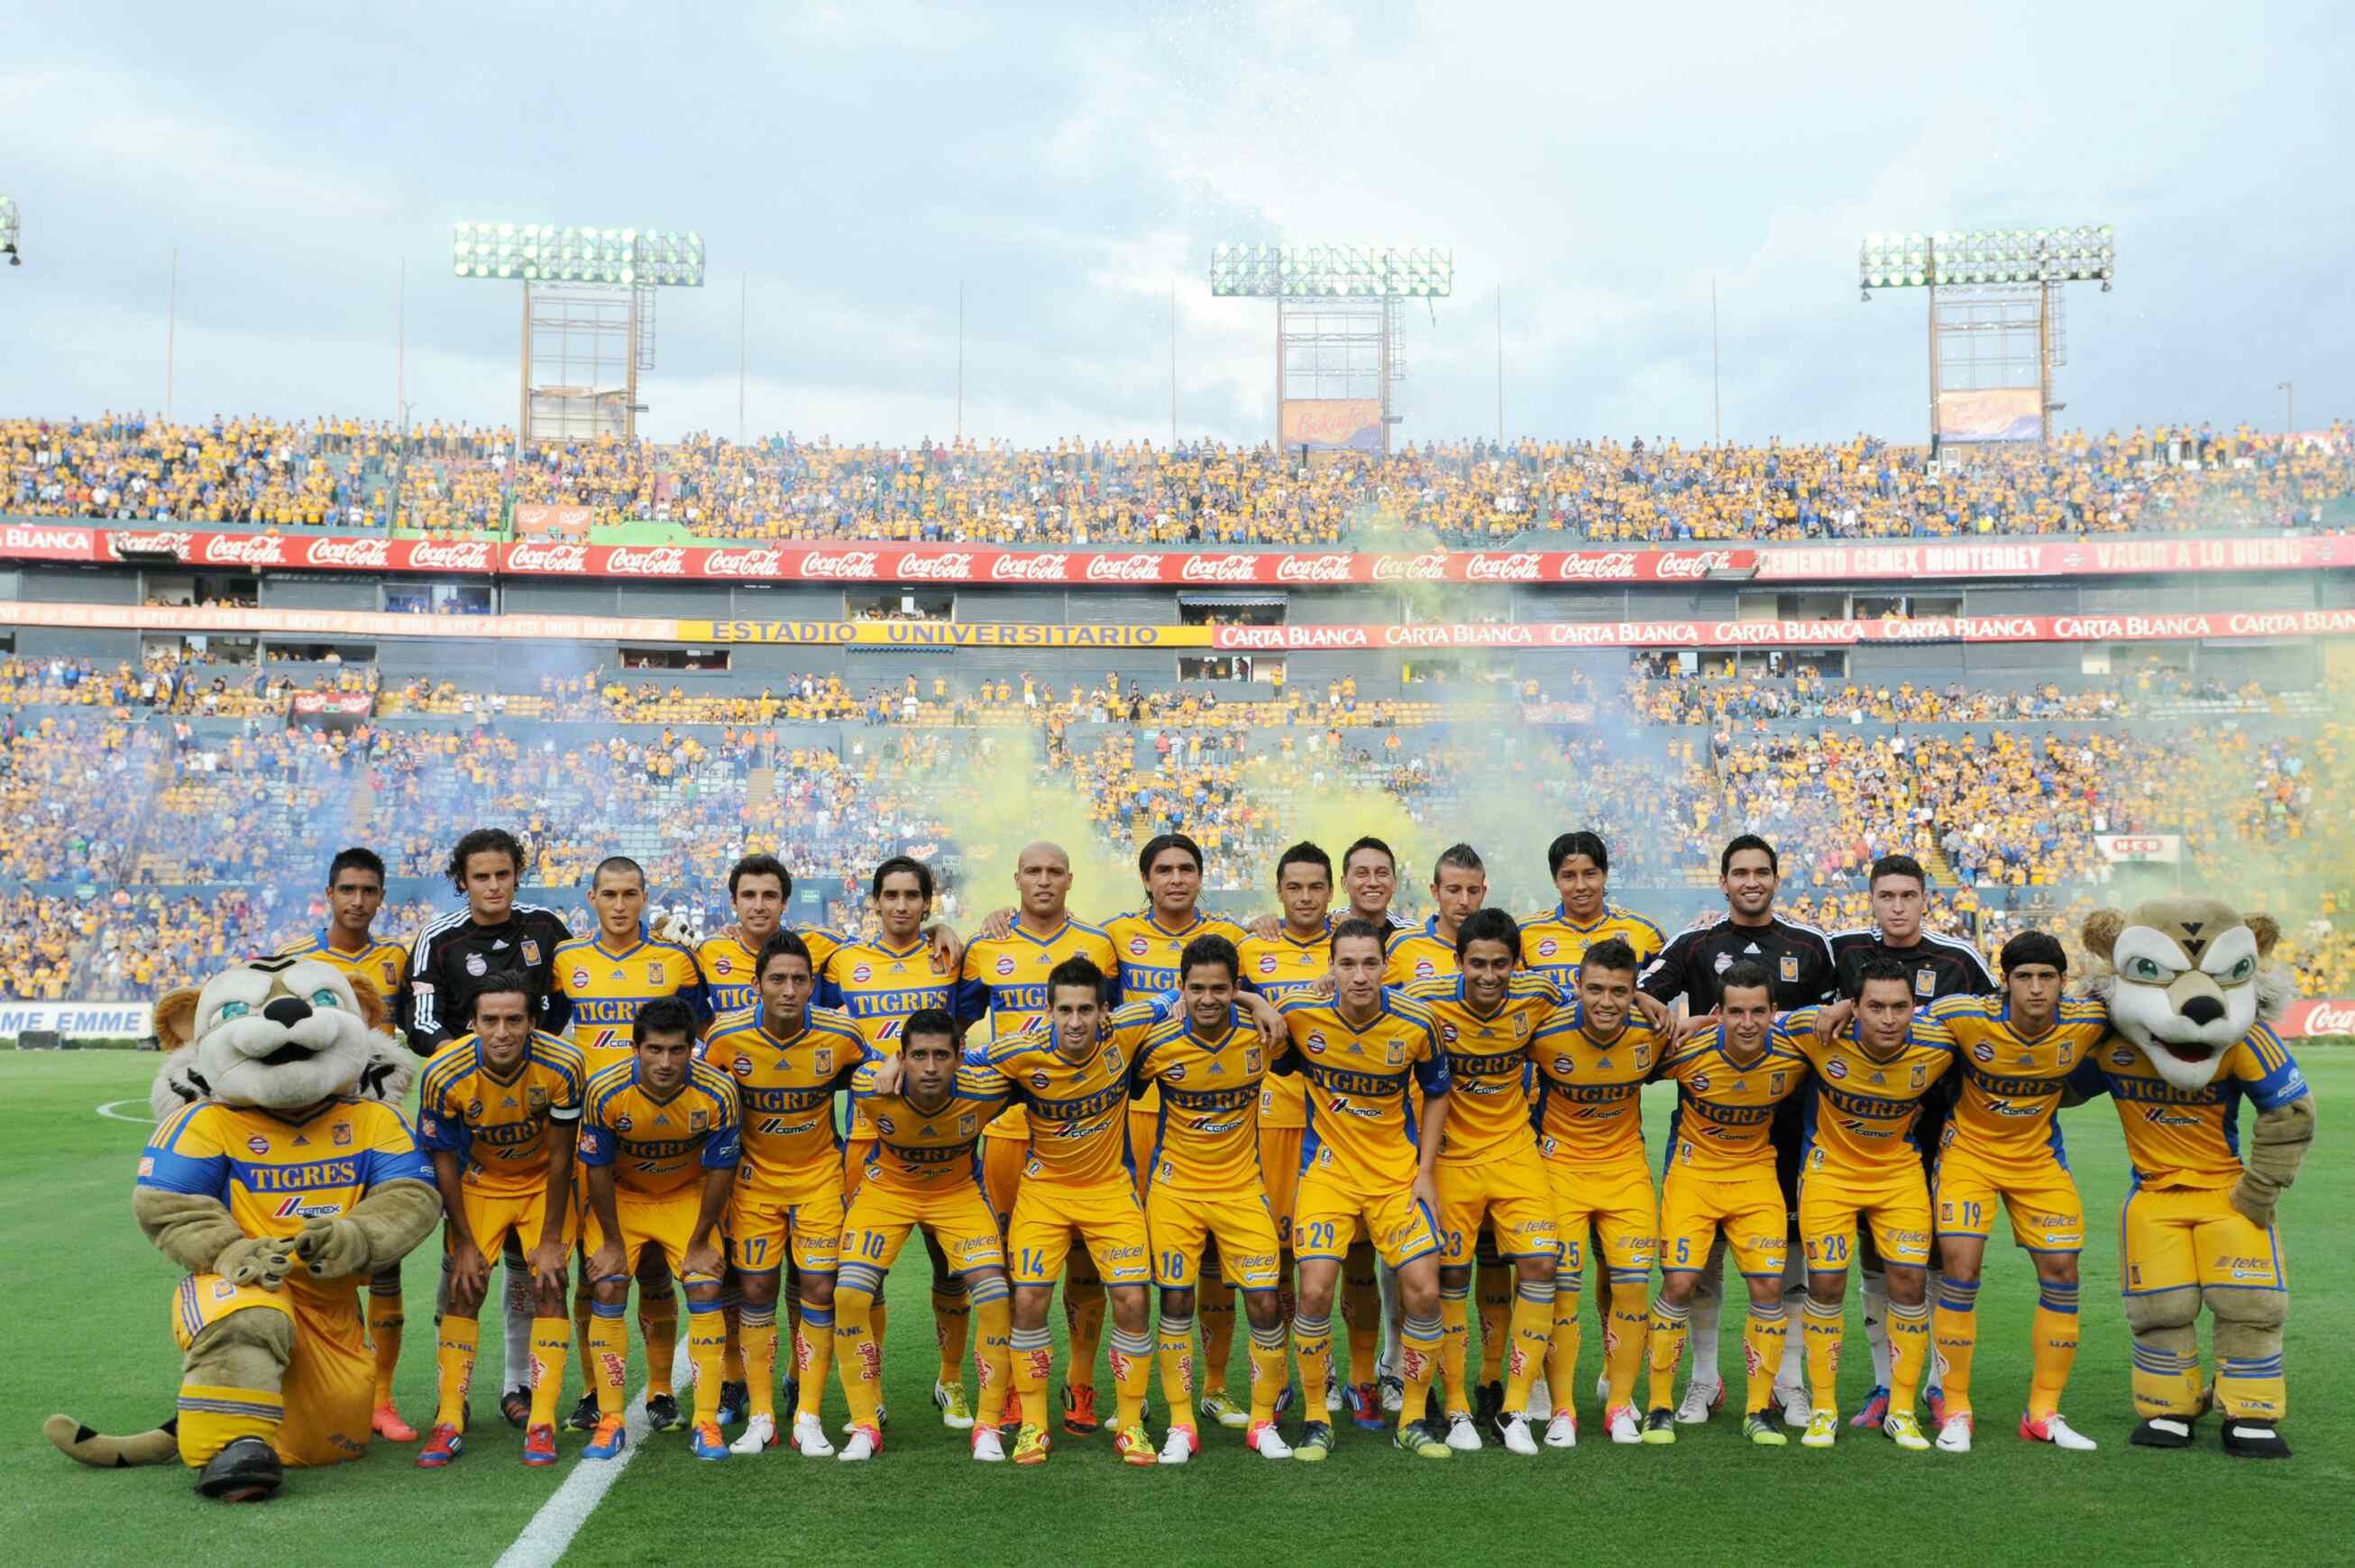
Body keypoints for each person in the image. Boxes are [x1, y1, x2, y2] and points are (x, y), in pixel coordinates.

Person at [1639, 834, 1835, 1428]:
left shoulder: (1810, 945)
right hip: (1704, 1123)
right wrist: (1684, 1022)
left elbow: (1837, 1015)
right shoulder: (1696, 943)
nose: (1751, 882)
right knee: (1697, 1262)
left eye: (1761, 872)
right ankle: (1704, 1379)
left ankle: (1788, 1383)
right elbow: (1640, 994)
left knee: (1785, 1263)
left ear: (1776, 878)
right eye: (1740, 873)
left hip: (1787, 1128)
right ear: (1723, 881)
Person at [403, 829, 575, 1432]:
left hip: (534, 1104)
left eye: (503, 874)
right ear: (463, 880)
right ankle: (452, 1393)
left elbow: (565, 1004)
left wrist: (526, 1062)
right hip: (466, 1111)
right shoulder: (439, 938)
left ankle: (517, 1384)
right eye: (482, 876)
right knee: (463, 1267)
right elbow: (422, 1022)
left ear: (517, 875)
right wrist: (473, 1069)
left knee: (529, 1265)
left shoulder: (546, 929)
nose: (494, 886)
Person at [953, 840, 1117, 1435]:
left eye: (1054, 871)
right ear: (1016, 878)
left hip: (1078, 1131)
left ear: (1070, 879)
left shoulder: (1098, 945)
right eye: (1033, 871)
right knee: (1007, 1269)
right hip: (1007, 1131)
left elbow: (1118, 1028)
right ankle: (1011, 1391)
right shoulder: (986, 946)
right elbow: (953, 1023)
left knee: (1085, 1265)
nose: (1043, 880)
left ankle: (1080, 1384)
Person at [1921, 932, 2109, 1453]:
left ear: (2063, 982)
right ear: (2005, 982)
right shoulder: (1965, 1014)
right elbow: (1893, 1024)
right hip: (1968, 1157)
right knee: (1960, 1271)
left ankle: (2043, 1413)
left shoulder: (2088, 1020)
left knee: (2063, 1273)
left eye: (2047, 977)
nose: (2036, 988)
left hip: (2038, 1161)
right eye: (2024, 977)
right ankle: (1956, 1408)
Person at [1826, 851, 1994, 1429]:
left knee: (1942, 1260)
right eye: (1886, 897)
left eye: (1908, 896)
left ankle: (1939, 1385)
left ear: (1926, 899)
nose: (1897, 907)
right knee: (1878, 1259)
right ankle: (1884, 1384)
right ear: (1871, 900)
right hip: (1870, 1135)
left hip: (1943, 1131)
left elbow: (1993, 1022)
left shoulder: (1958, 960)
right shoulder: (1844, 952)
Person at [1277, 918, 1455, 1462]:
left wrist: (1426, 1171)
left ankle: (1414, 1418)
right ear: (1331, 967)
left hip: (1396, 1176)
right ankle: (1315, 1418)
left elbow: (1437, 1092)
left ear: (1385, 967)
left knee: (1424, 1292)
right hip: (1328, 1173)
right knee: (1313, 1292)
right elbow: (1250, 1015)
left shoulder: (1417, 1021)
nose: (1359, 975)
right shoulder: (1301, 1014)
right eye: (1347, 964)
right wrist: (1257, 1000)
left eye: (1369, 963)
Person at [970, 955, 1156, 1467]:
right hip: (1044, 1191)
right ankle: (1034, 1425)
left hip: (1109, 1190)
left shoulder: (1126, 1032)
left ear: (1104, 1012)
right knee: (1028, 1299)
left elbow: (1181, 998)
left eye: (1086, 1010)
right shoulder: (1019, 1051)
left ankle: (1131, 1425)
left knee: (1133, 1301)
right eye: (1065, 1010)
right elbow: (954, 1061)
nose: (1076, 1022)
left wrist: (1254, 1002)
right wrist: (894, 1063)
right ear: (1049, 1011)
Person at [553, 856, 713, 1435]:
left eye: (629, 894)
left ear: (646, 898)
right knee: (595, 1271)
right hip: (590, 1139)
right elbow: (544, 1036)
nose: (619, 905)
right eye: (609, 894)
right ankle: (595, 1391)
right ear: (591, 898)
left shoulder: (676, 960)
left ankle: (662, 1390)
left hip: (663, 1140)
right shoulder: (566, 960)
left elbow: (705, 1032)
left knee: (654, 1273)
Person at [1099, 832, 1252, 1430]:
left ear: (1201, 876)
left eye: (1187, 868)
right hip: (1132, 1112)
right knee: (1131, 1266)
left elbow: (1252, 995)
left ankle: (1213, 1386)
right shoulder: (1114, 936)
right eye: (1163, 869)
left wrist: (1262, 1004)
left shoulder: (1232, 935)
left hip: (1202, 1117)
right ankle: (1128, 1394)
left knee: (1212, 1262)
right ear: (1146, 879)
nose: (1176, 879)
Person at [1124, 934, 1293, 1463]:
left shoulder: (1261, 1034)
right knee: (1176, 1299)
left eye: (1220, 989)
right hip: (1176, 1191)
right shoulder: (1158, 1043)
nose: (1208, 999)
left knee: (1265, 1301)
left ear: (1235, 987)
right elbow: (1121, 1090)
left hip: (1242, 1189)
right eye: (1196, 988)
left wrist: (1259, 1003)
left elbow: (1300, 1052)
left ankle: (1263, 1421)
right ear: (1181, 988)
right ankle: (1180, 1423)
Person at [1403, 908, 1562, 1454]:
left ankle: (1513, 1407)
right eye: (1478, 964)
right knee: (1450, 1276)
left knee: (1542, 1266)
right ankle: (1455, 1406)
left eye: (1500, 964)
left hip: (1516, 1154)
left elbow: (1595, 1000)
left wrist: (1643, 998)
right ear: (1459, 961)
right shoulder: (1425, 1000)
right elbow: (1369, 1002)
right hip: (1451, 1160)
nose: (1489, 975)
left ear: (1516, 963)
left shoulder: (1538, 994)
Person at [1783, 958, 1958, 1452]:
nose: (1888, 1018)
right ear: (1854, 1007)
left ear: (1915, 1008)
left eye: (1899, 1007)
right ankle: (1824, 1409)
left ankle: (1901, 1412)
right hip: (1829, 1174)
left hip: (1898, 1176)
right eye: (1875, 1007)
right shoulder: (1817, 1030)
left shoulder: (1939, 1040)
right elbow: (1746, 1021)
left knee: (1910, 1283)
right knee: (1826, 1283)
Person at [818, 856, 967, 1431]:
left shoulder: (950, 958)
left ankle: (950, 1380)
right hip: (868, 1136)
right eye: (891, 895)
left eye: (912, 896)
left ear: (928, 903)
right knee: (866, 1273)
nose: (901, 905)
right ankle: (871, 1386)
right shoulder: (844, 962)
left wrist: (945, 932)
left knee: (951, 1266)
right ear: (874, 901)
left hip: (944, 1137)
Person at [703, 931, 866, 1457]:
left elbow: (878, 1068)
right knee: (756, 1290)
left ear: (813, 985)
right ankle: (761, 1417)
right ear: (757, 985)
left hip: (819, 1179)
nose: (789, 990)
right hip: (754, 1183)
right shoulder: (727, 1037)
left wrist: (888, 1064)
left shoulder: (840, 1034)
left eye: (799, 979)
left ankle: (808, 1417)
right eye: (777, 979)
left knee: (819, 1288)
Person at [273, 848, 417, 1440]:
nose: (358, 901)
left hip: (374, 1131)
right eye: (348, 890)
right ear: (329, 894)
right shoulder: (296, 962)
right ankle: (312, 1388)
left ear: (381, 897)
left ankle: (381, 1399)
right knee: (311, 1261)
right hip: (311, 1135)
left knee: (383, 1260)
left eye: (369, 891)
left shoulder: (397, 959)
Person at [414, 974, 585, 1468]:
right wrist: (465, 1243)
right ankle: (449, 1420)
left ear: (533, 1022)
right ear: (473, 1022)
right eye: (490, 1020)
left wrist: (550, 1240)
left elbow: (562, 1156)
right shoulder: (444, 1071)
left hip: (543, 1183)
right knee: (464, 1288)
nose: (502, 1032)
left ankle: (542, 1422)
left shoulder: (564, 1063)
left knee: (550, 1282)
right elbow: (444, 1161)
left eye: (514, 1020)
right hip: (480, 1181)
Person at [833, 1010, 1019, 1463]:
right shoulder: (870, 1087)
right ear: (902, 1058)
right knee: (850, 1294)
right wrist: (884, 1062)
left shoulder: (987, 1089)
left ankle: (987, 1425)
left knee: (996, 1296)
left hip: (958, 1194)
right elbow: (845, 1057)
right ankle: (865, 1422)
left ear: (959, 1058)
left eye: (941, 1055)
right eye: (919, 1056)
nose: (931, 1067)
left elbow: (1034, 1059)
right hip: (887, 1191)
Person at [1640, 960, 1808, 1448]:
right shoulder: (1688, 1048)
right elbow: (1630, 1059)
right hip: (1694, 1175)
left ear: (1774, 1011)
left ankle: (1758, 1410)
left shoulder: (1795, 1050)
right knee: (1679, 1283)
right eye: (1736, 1012)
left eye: (1758, 1011)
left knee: (1769, 1287)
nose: (1747, 1023)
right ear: (1719, 1012)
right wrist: (1674, 1022)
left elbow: (1841, 1021)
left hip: (1755, 1177)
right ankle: (1659, 1406)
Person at [575, 996, 740, 1463]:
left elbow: (722, 1170)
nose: (665, 1062)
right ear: (635, 1049)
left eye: (676, 1050)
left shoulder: (718, 1092)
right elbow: (597, 1170)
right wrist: (611, 1242)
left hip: (687, 1196)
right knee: (607, 1285)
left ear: (692, 1049)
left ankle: (706, 1423)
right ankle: (610, 1421)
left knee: (705, 1283)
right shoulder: (605, 1090)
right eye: (654, 1050)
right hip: (623, 1198)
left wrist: (701, 1240)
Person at [1528, 937, 1666, 1447]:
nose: (1606, 1002)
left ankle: (1619, 1405)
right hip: (1560, 1169)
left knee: (1631, 1286)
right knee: (1562, 1288)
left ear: (1634, 991)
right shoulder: (1546, 1031)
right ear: (1578, 987)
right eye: (1596, 990)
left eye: (1620, 991)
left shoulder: (1653, 1033)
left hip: (1625, 1171)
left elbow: (1707, 1032)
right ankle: (1562, 1409)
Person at [1517, 830, 1667, 991]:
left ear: (1605, 874)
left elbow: (1668, 989)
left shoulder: (1646, 931)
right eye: (1569, 876)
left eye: (1590, 874)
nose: (1580, 886)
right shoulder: (1523, 933)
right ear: (1555, 880)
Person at [697, 853, 838, 1016]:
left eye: (769, 896)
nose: (758, 906)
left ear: (784, 903)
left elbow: (863, 954)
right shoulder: (710, 950)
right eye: (749, 895)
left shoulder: (817, 941)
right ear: (734, 902)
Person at [1384, 842, 1487, 985]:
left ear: (1483, 893)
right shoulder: (1402, 945)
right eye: (1454, 890)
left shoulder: (1501, 945)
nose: (1464, 901)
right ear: (1435, 892)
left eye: (1473, 891)